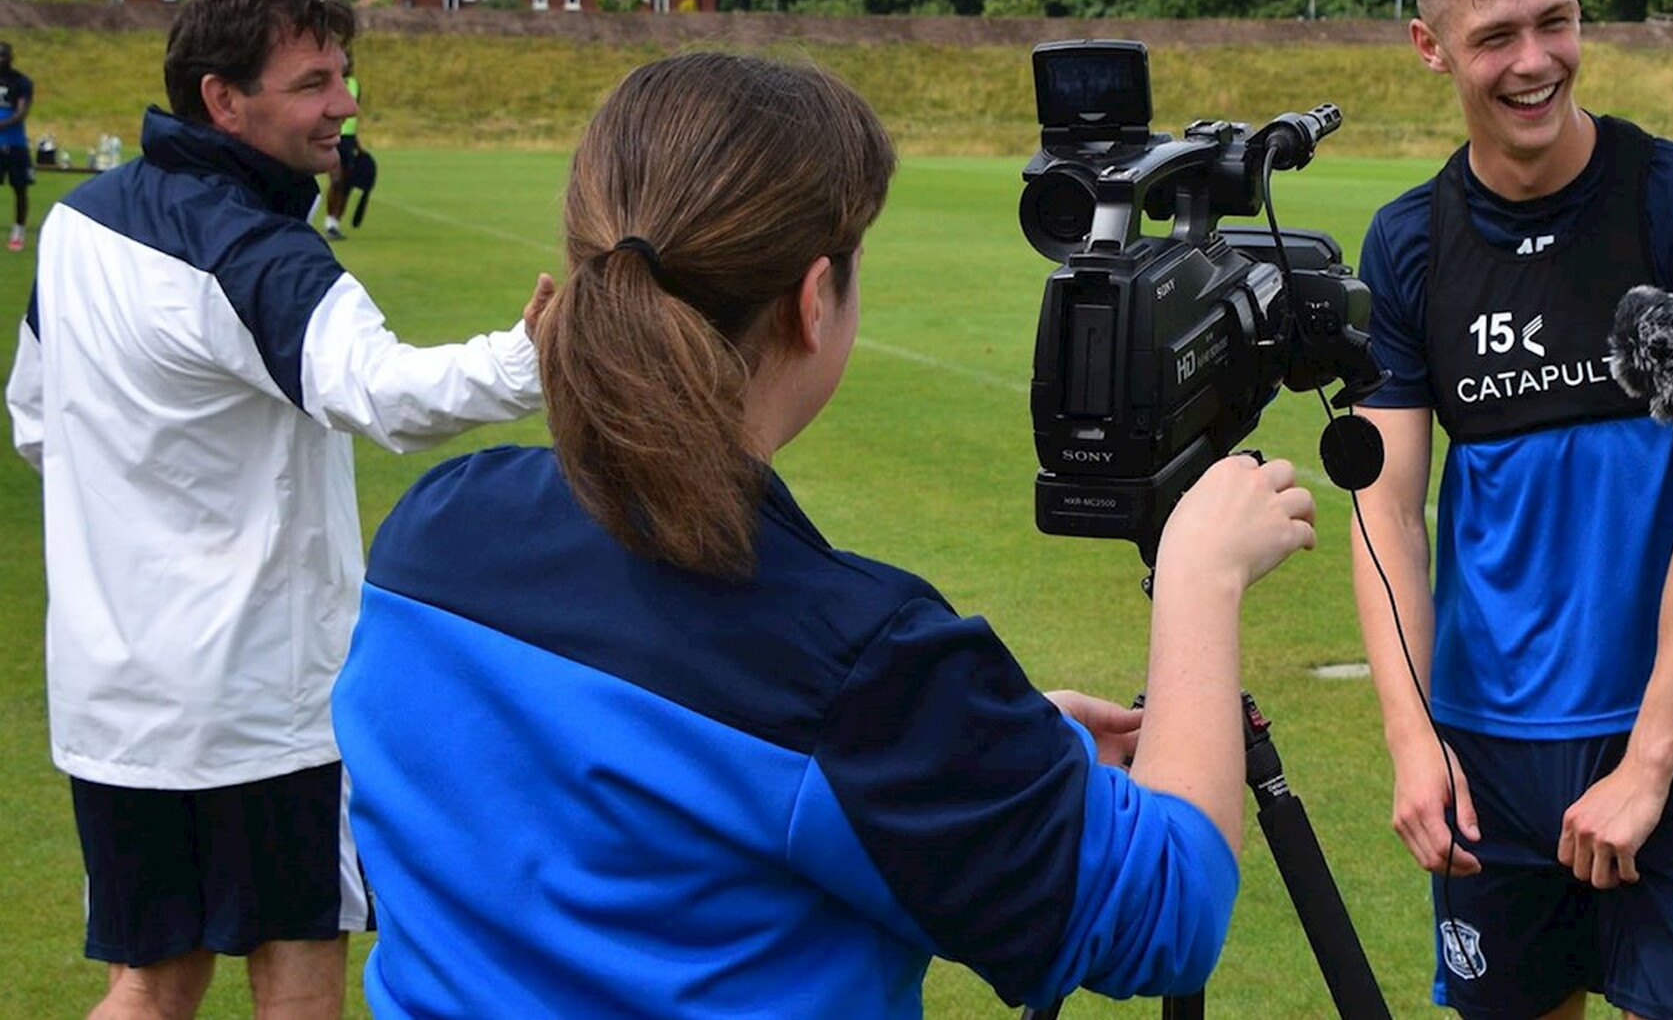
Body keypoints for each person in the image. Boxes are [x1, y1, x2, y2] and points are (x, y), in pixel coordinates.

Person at [329, 51, 1318, 1019]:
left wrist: (990, 745)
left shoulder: (434, 529)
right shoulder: (859, 669)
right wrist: (1199, 575)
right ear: (813, 300)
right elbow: (1163, 912)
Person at [3, 0, 549, 1020]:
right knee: (297, 957)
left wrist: (150, 509)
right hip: (260, 702)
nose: (344, 102)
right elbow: (384, 392)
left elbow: (36, 419)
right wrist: (530, 358)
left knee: (148, 984)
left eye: (343, 73)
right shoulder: (256, 248)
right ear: (223, 98)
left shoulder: (77, 223)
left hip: (111, 692)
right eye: (312, 82)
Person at [1345, 0, 1673, 1016]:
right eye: (1494, 36)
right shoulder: (1406, 247)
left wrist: (1644, 766)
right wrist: (1411, 742)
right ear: (1427, 45)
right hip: (1488, 747)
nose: (1535, 61)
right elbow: (1383, 510)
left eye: (1555, 20)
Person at [0, 41, 33, 252]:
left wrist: (2, 124)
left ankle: (18, 231)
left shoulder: (21, 82)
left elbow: (21, 111)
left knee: (20, 189)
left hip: (14, 143)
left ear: (11, 58)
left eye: (3, 56)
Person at [322, 55, 360, 241]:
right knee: (336, 179)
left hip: (349, 140)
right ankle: (329, 221)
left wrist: (359, 146)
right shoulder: (327, 82)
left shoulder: (354, 84)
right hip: (334, 137)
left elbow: (355, 115)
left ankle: (335, 222)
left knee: (347, 182)